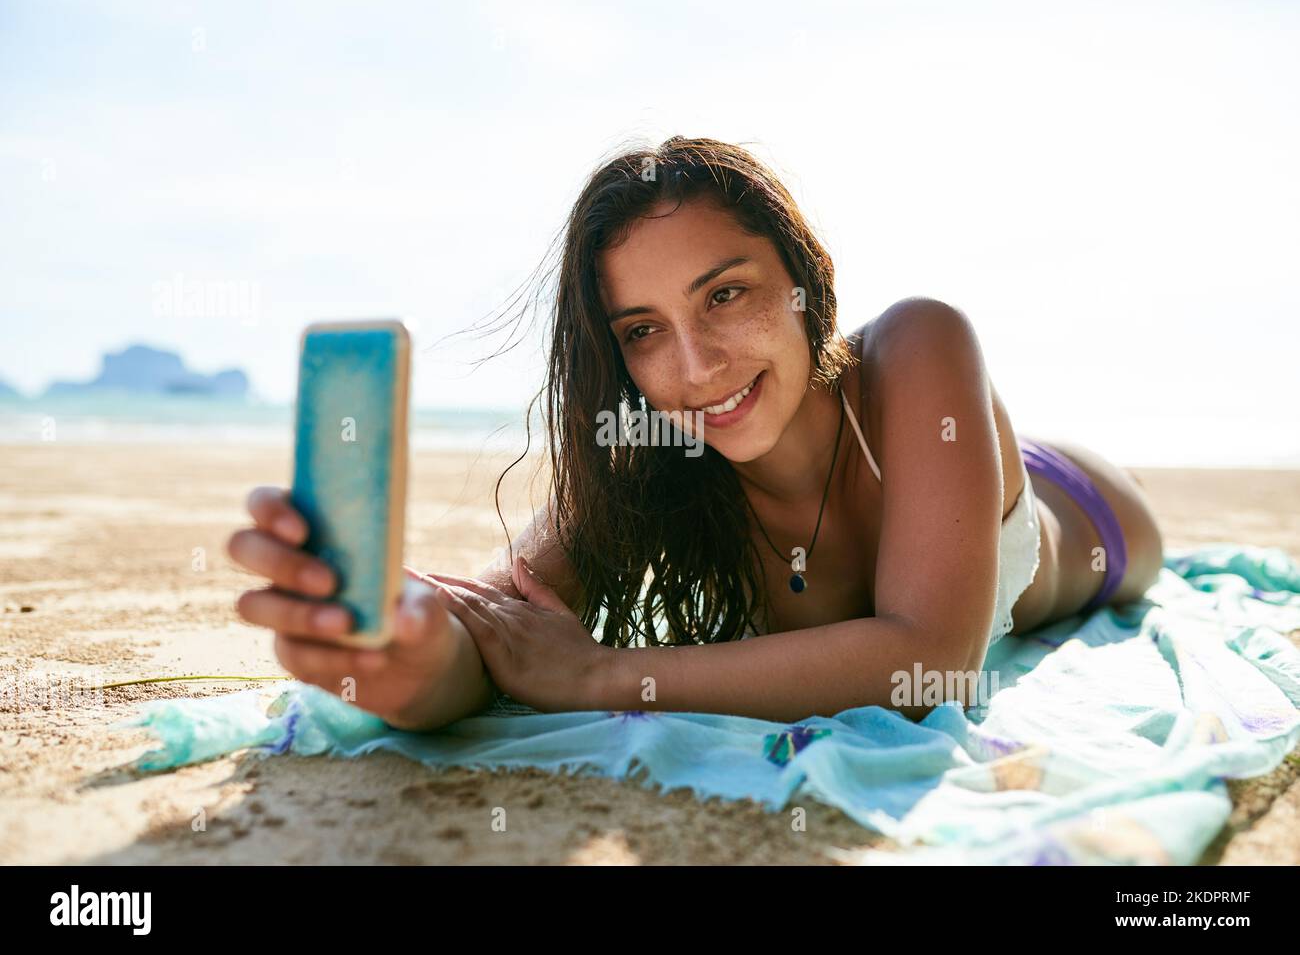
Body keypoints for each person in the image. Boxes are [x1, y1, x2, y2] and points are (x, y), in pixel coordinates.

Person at [226, 136, 1164, 731]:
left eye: (726, 294)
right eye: (641, 331)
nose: (697, 366)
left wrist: (607, 675)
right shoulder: (652, 447)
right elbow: (508, 628)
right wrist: (404, 649)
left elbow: (932, 663)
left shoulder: (920, 344)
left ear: (807, 279)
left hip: (1086, 512)